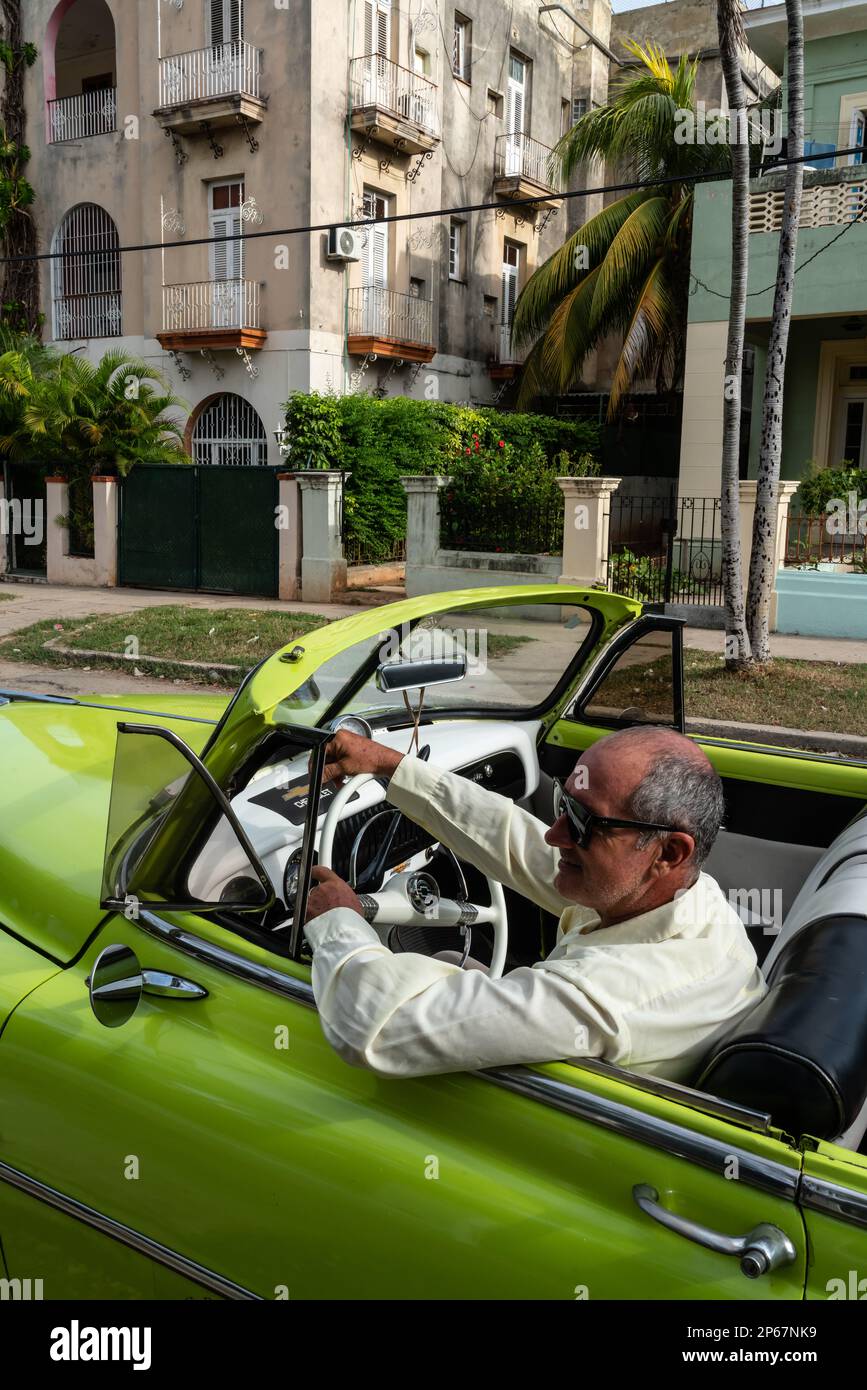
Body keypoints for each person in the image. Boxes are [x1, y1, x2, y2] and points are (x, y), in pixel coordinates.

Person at [303, 724, 766, 1082]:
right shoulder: (684, 898)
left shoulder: (606, 996)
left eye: (584, 824)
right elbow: (514, 841)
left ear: (668, 851)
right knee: (447, 958)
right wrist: (390, 766)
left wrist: (340, 922)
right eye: (565, 803)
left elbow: (374, 1028)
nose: (555, 832)